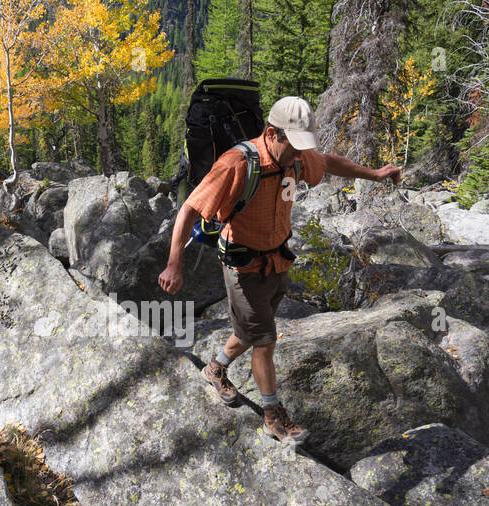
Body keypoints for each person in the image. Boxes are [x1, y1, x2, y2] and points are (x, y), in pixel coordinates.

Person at [158, 96, 402, 443]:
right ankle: (273, 416)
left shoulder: (297, 159)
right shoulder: (236, 164)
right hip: (242, 265)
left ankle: (215, 368)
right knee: (265, 342)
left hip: (276, 259)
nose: (302, 155)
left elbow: (330, 162)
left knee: (250, 332)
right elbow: (189, 209)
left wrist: (375, 174)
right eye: (295, 147)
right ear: (272, 133)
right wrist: (173, 264)